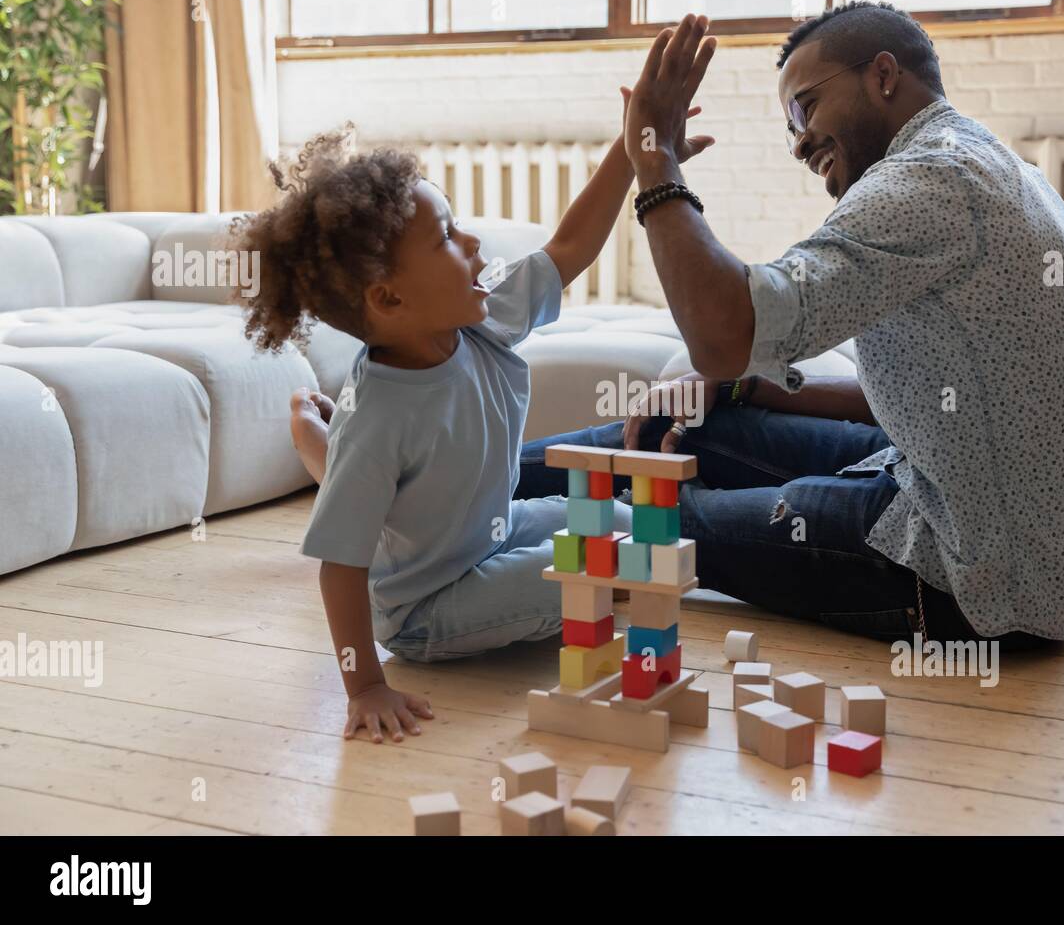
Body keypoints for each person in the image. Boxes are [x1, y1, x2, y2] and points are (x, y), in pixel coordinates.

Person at [516, 3, 1064, 652]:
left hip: (975, 576)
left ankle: (463, 522)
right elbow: (934, 396)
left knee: (651, 514)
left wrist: (655, 160)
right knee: (691, 423)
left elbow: (722, 337)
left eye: (805, 109)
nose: (800, 142)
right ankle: (474, 480)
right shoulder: (980, 162)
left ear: (883, 75)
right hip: (953, 494)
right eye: (790, 127)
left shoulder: (927, 180)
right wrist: (744, 387)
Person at [235, 101, 713, 743]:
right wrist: (366, 684)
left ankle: (310, 433)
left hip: (487, 532)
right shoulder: (380, 417)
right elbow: (340, 569)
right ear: (389, 297)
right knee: (609, 563)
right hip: (427, 608)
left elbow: (568, 248)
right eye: (447, 239)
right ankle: (315, 437)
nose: (473, 243)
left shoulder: (476, 316)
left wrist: (632, 154)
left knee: (635, 524)